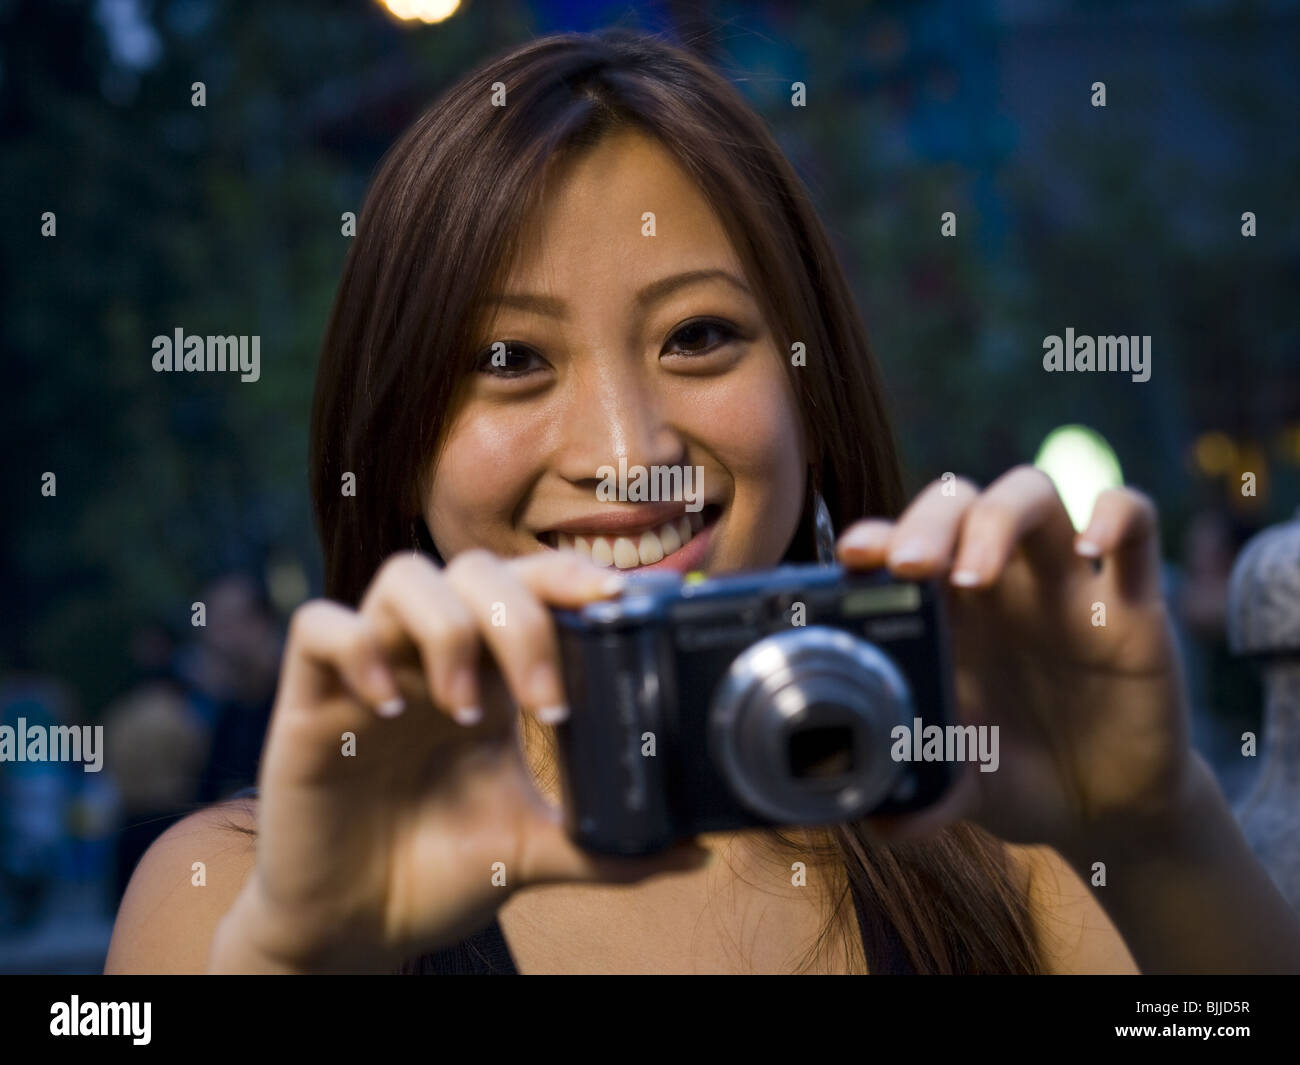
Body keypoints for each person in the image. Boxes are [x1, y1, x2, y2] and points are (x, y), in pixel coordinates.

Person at [104, 30, 1300, 975]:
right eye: (511, 360)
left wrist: (1152, 832)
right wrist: (307, 959)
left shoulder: (1017, 865)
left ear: (808, 397)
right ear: (398, 440)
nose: (631, 454)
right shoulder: (235, 890)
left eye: (701, 337)